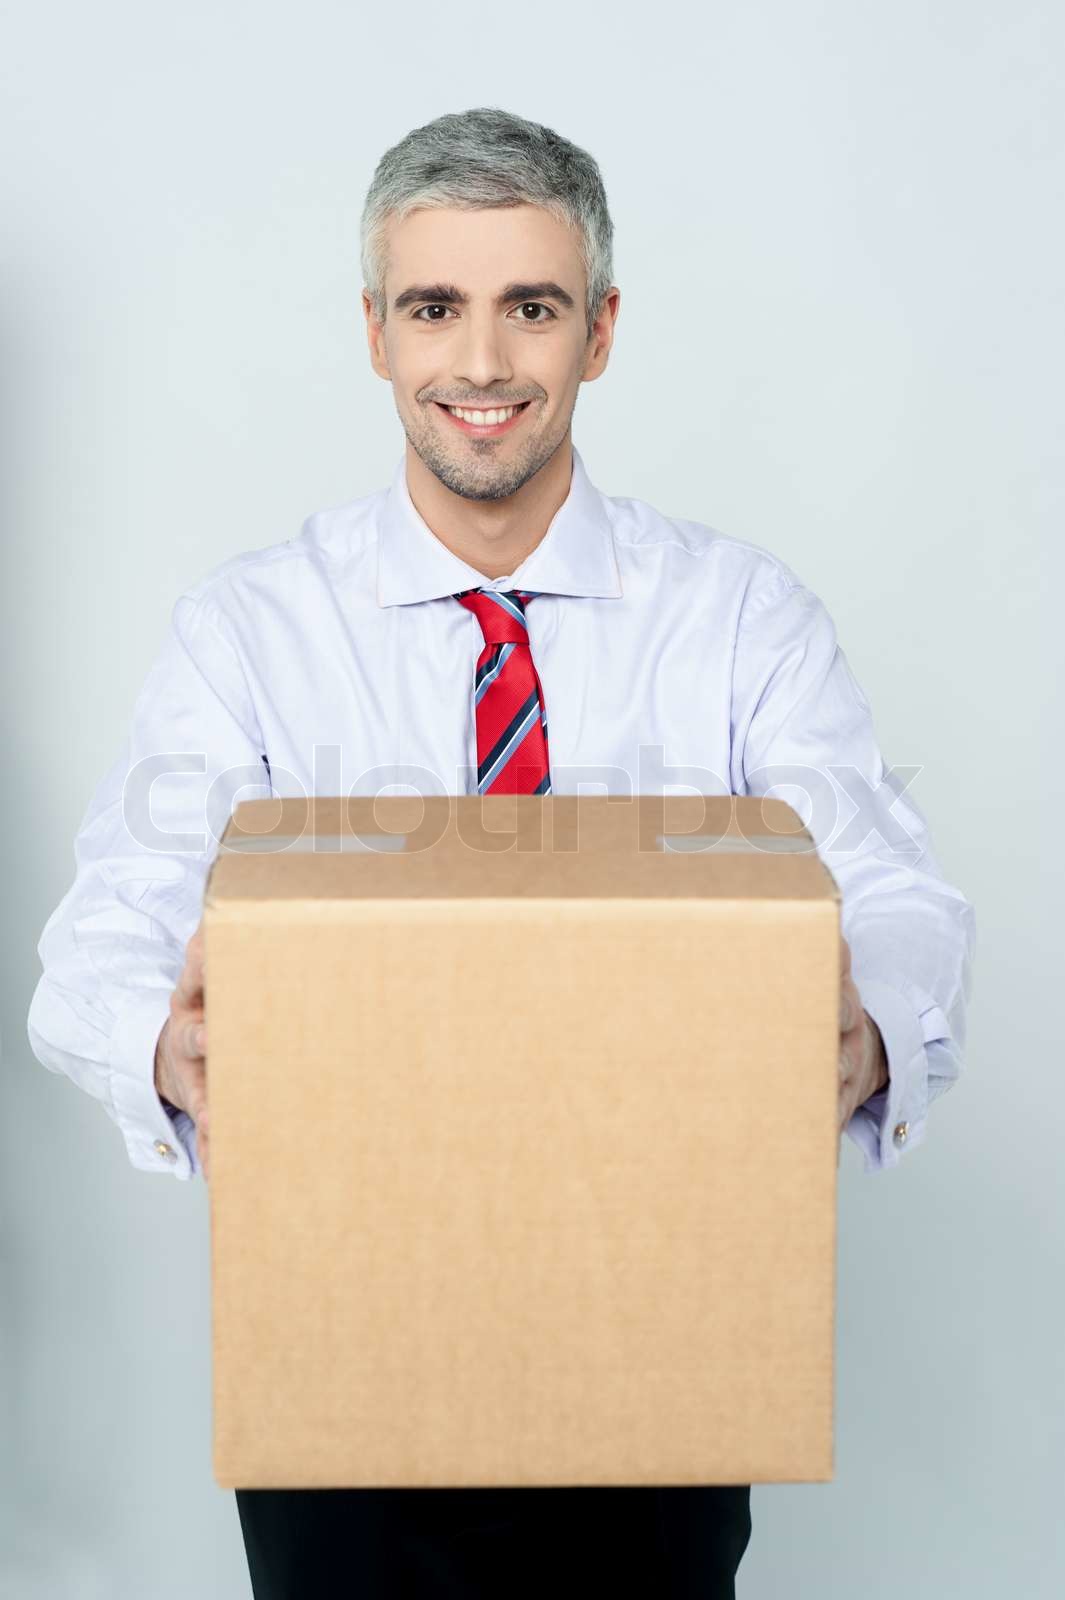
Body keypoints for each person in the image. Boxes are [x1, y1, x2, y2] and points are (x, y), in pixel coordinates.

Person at [27, 106, 975, 1599]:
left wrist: (864, 1037)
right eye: (434, 307)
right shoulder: (254, 631)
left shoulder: (734, 618)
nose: (479, 362)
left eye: (529, 307)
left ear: (597, 332)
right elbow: (97, 945)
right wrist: (167, 1044)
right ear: (373, 334)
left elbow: (892, 893)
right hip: (342, 1357)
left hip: (665, 1342)